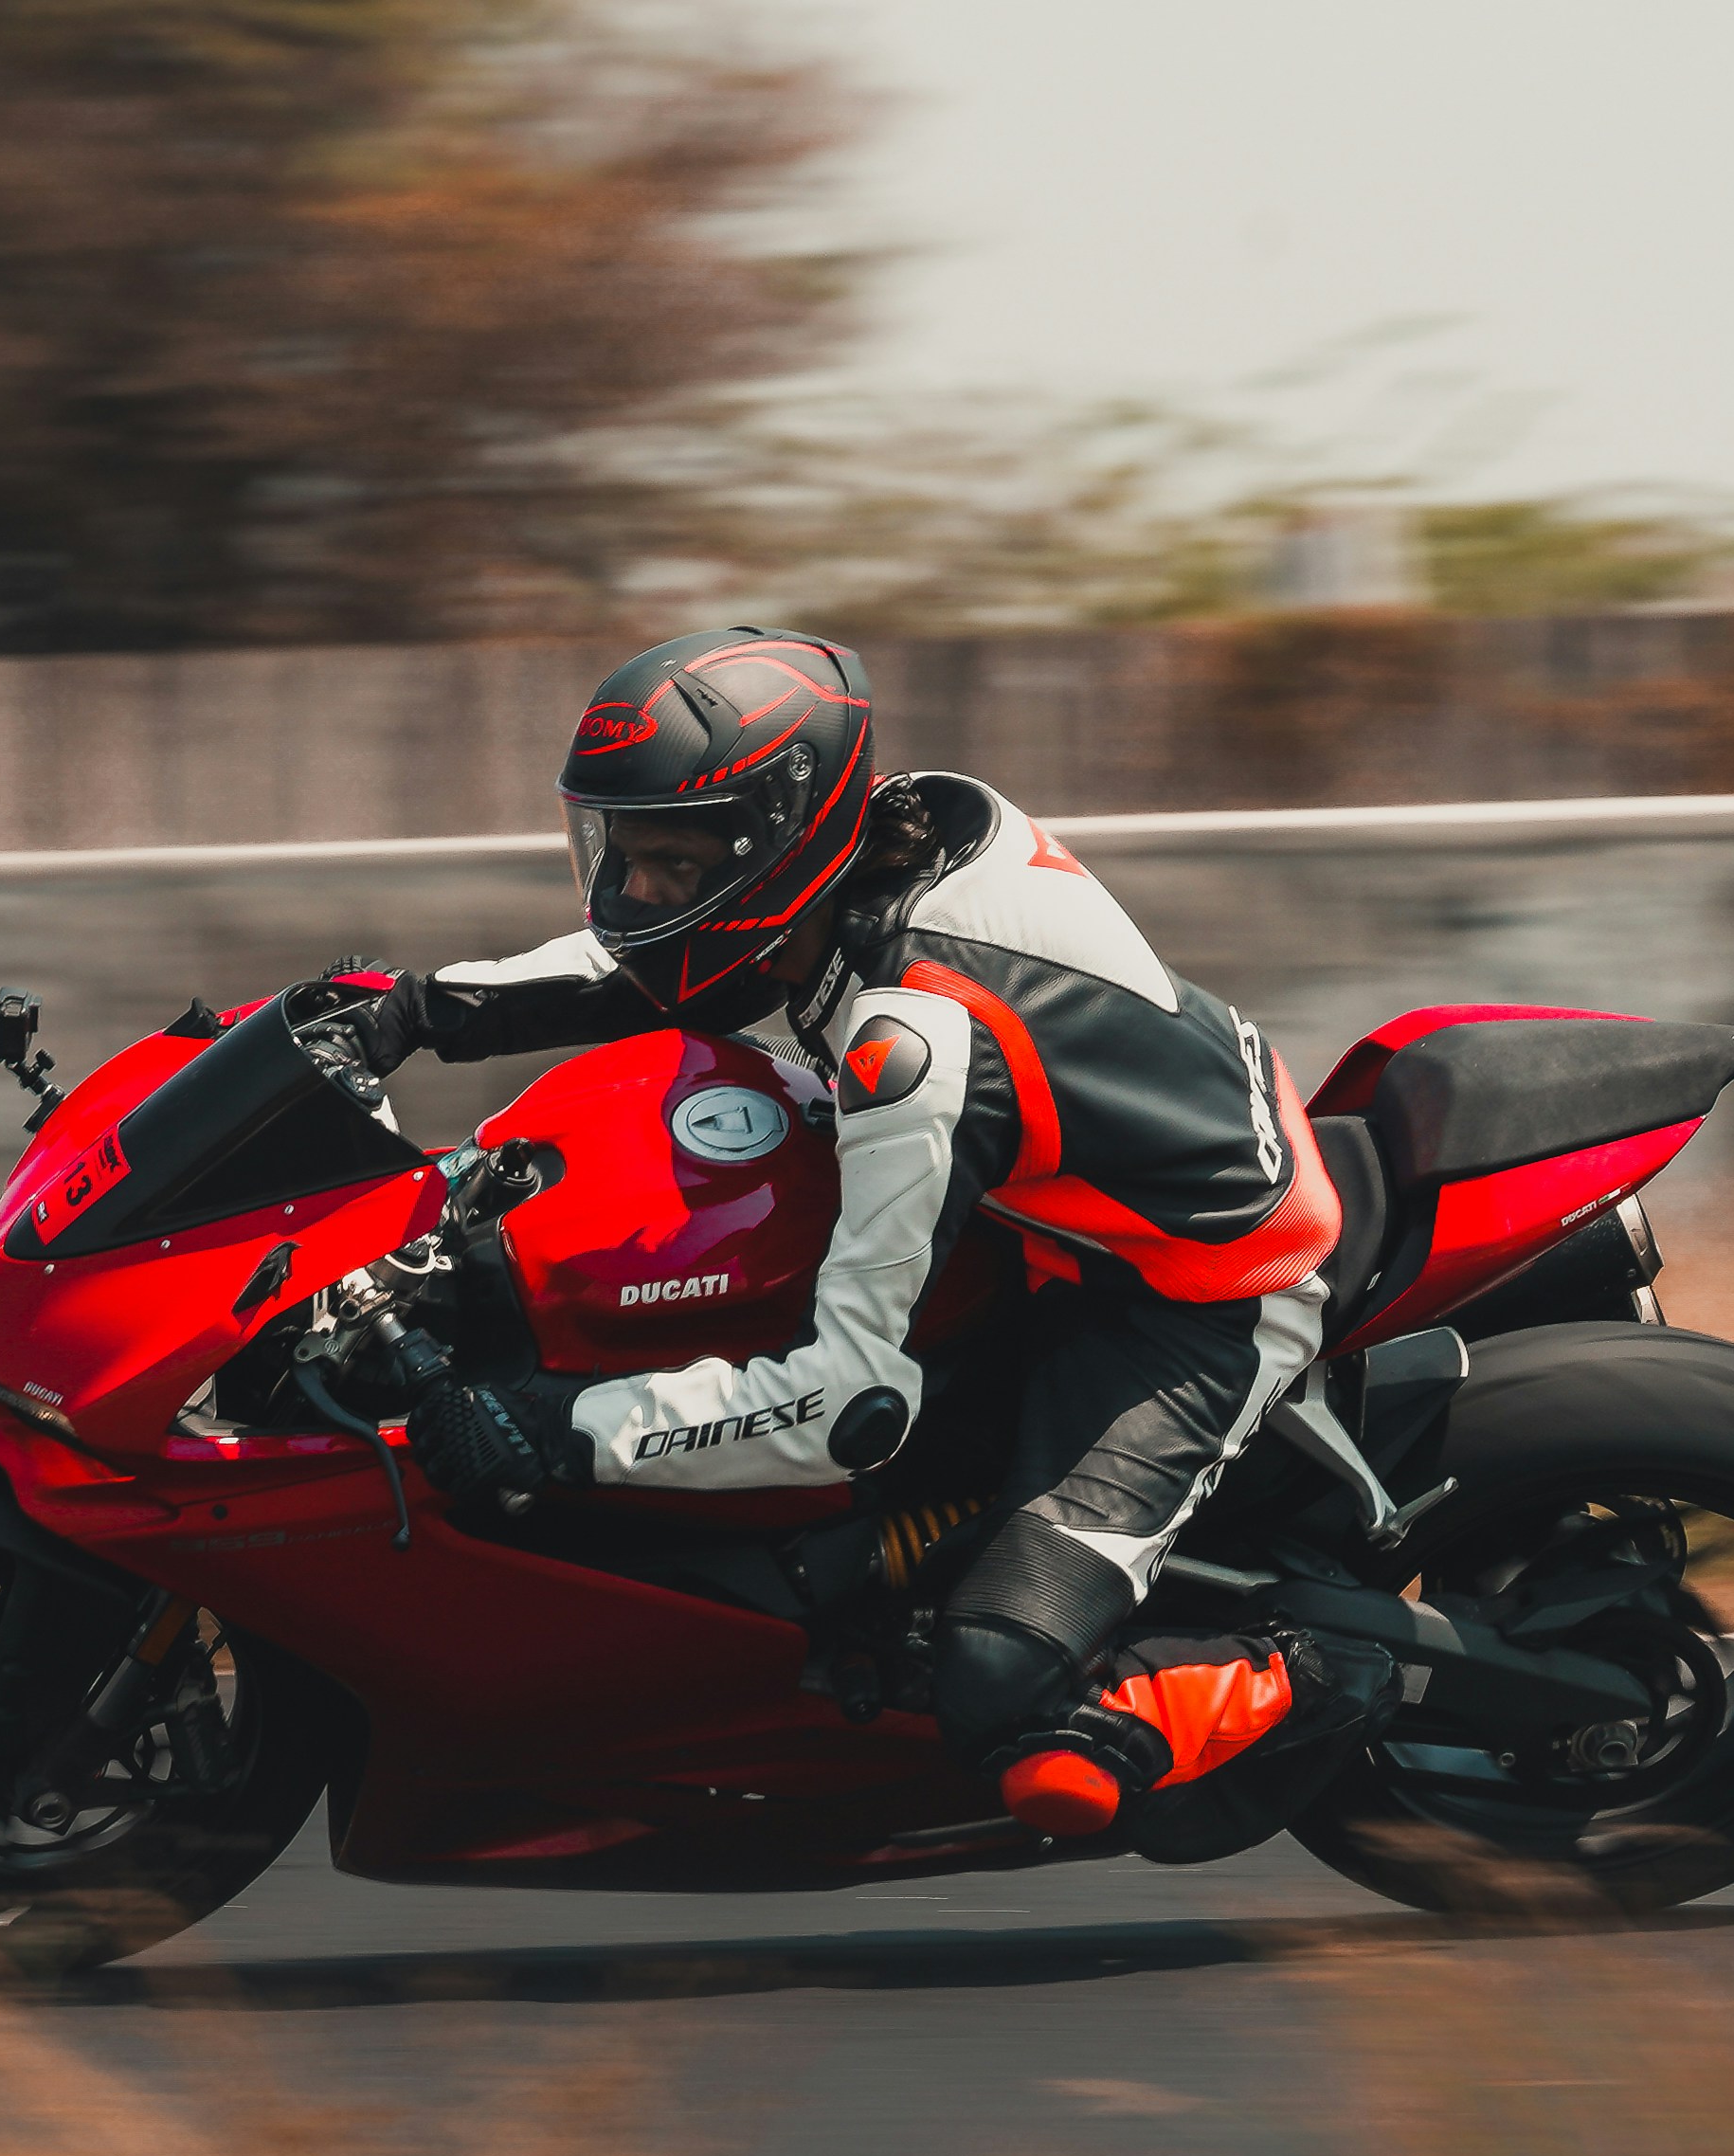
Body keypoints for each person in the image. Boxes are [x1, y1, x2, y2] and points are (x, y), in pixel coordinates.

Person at [324, 625, 1374, 1840]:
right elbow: (664, 959)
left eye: (669, 860)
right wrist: (409, 1011)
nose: (632, 891)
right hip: (1052, 1200)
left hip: (1193, 1291)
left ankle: (1331, 1667)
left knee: (1005, 1692)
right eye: (620, 849)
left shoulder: (911, 1041)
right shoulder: (893, 828)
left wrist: (555, 1430)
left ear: (774, 845)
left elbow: (846, 1406)